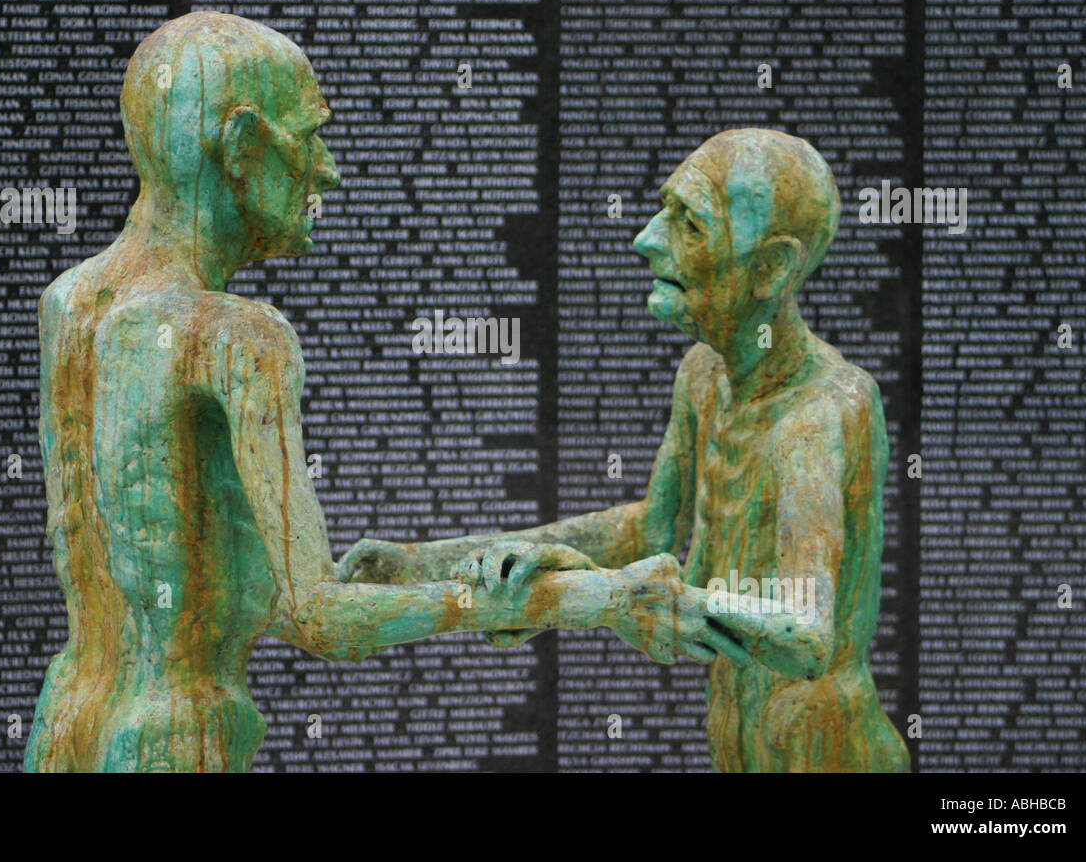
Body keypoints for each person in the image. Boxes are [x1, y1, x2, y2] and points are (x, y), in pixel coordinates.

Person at [25, 12, 708, 772]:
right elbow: (322, 619)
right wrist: (598, 601)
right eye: (311, 136)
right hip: (180, 740)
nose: (329, 171)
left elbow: (199, 578)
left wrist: (423, 565)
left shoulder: (73, 304)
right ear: (245, 149)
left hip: (68, 723)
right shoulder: (237, 337)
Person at [343, 129, 910, 772]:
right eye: (664, 209)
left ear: (772, 267)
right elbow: (648, 529)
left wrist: (620, 597)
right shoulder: (703, 375)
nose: (645, 240)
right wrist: (427, 563)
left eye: (689, 224)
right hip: (741, 737)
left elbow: (806, 635)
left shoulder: (820, 411)